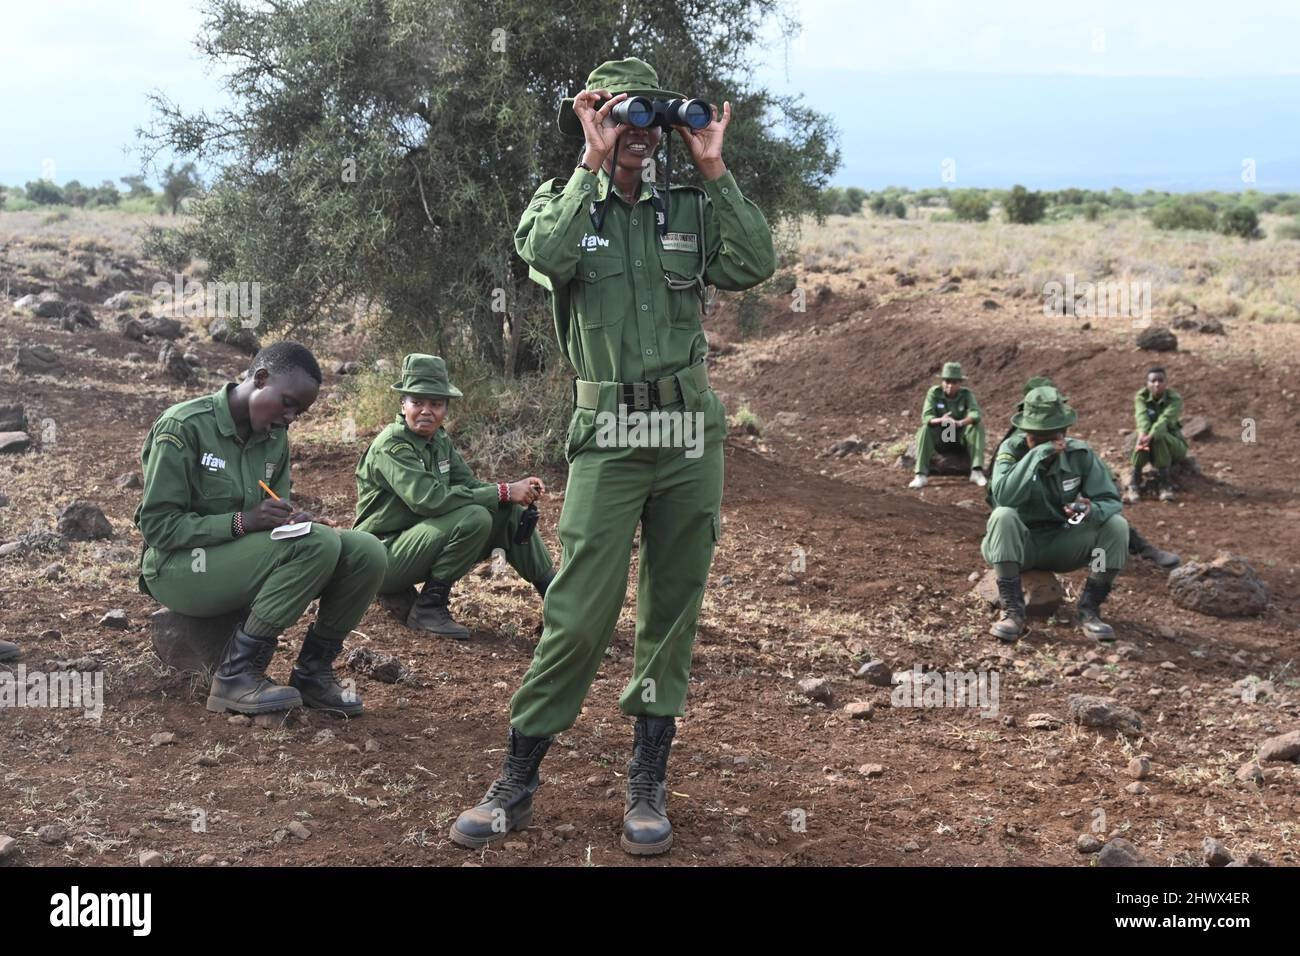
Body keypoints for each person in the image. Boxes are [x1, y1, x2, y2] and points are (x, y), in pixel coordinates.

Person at [449, 57, 775, 856]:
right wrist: (588, 159)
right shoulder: (564, 206)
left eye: (648, 120)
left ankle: (646, 784)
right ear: (595, 119)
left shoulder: (689, 205)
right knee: (579, 610)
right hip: (612, 437)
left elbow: (755, 263)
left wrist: (714, 165)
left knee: (672, 610)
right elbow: (546, 256)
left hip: (689, 432)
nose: (639, 135)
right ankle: (516, 782)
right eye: (621, 117)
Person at [135, 342, 388, 717]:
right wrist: (242, 521)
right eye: (287, 403)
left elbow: (272, 516)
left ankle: (313, 672)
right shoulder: (184, 426)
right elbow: (158, 527)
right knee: (316, 546)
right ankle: (236, 676)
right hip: (179, 568)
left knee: (365, 550)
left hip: (238, 559)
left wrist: (294, 520)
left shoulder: (273, 437)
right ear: (261, 378)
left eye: (298, 412)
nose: (289, 418)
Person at [354, 353, 555, 640]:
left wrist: (509, 494)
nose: (426, 411)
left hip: (414, 546)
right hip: (379, 558)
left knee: (510, 512)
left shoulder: (439, 440)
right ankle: (429, 607)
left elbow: (469, 485)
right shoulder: (393, 445)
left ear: (446, 409)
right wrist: (505, 490)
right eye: (417, 403)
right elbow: (429, 500)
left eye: (435, 404)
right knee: (475, 515)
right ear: (403, 405)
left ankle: (557, 600)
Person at [982, 386, 1127, 643]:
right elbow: (1004, 496)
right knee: (1003, 515)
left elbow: (1110, 500)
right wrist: (1036, 455)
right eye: (1034, 437)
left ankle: (1089, 609)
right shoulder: (1011, 450)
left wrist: (1091, 510)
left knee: (1116, 527)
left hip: (1061, 542)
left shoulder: (1079, 454)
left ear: (1064, 434)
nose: (1041, 442)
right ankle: (1013, 612)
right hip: (1016, 546)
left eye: (1049, 437)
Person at [987, 376, 1179, 569]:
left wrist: (1096, 494)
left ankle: (1133, 550)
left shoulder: (1066, 440)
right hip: (1030, 512)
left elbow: (1097, 486)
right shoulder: (1018, 439)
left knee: (1098, 510)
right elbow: (1004, 492)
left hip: (1059, 500)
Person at [908, 361, 986, 489]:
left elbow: (976, 414)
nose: (950, 385)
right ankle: (920, 474)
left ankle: (977, 471)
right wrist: (940, 420)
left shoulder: (966, 394)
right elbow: (926, 417)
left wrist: (959, 422)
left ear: (960, 383)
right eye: (947, 381)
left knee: (977, 426)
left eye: (954, 382)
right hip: (942, 434)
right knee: (925, 429)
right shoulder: (934, 393)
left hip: (958, 434)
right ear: (942, 381)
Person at [1127, 366, 1186, 503]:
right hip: (1148, 443)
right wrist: (1143, 434)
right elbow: (1141, 417)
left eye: (1160, 380)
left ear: (1166, 382)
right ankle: (1134, 483)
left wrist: (1151, 435)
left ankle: (1165, 485)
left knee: (1159, 436)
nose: (1157, 384)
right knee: (1140, 437)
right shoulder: (1141, 397)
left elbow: (1164, 420)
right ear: (1147, 384)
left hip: (1174, 446)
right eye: (1153, 381)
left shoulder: (1174, 399)